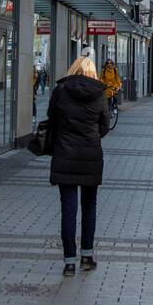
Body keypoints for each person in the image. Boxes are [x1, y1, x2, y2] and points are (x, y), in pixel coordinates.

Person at [48, 56, 110, 277]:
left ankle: (69, 262)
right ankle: (87, 255)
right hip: (90, 156)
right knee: (89, 206)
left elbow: (51, 120)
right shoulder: (99, 94)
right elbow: (105, 126)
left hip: (65, 155)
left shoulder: (61, 90)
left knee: (68, 210)